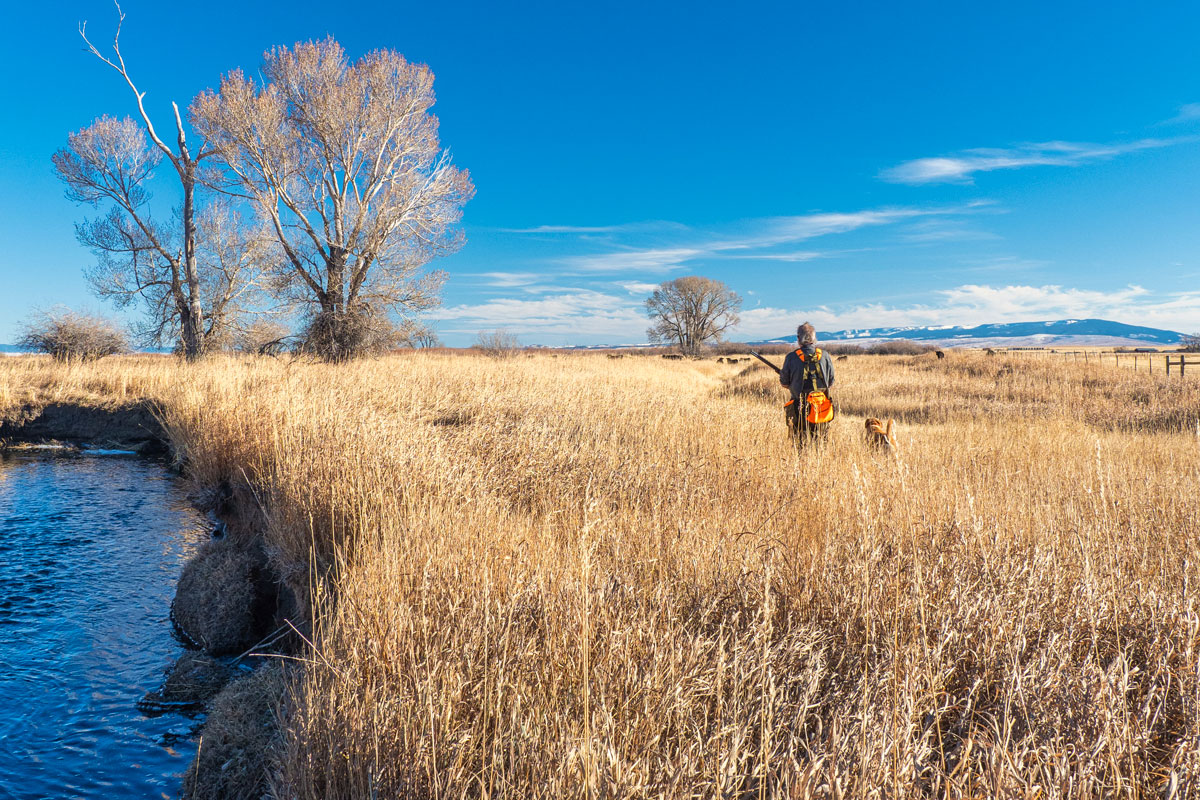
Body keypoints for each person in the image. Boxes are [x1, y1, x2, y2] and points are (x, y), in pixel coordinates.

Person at [779, 322, 835, 442]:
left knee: (799, 444)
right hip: (821, 407)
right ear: (814, 338)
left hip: (799, 407)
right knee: (821, 443)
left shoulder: (791, 357)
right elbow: (830, 382)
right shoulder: (824, 356)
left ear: (799, 339)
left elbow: (784, 383)